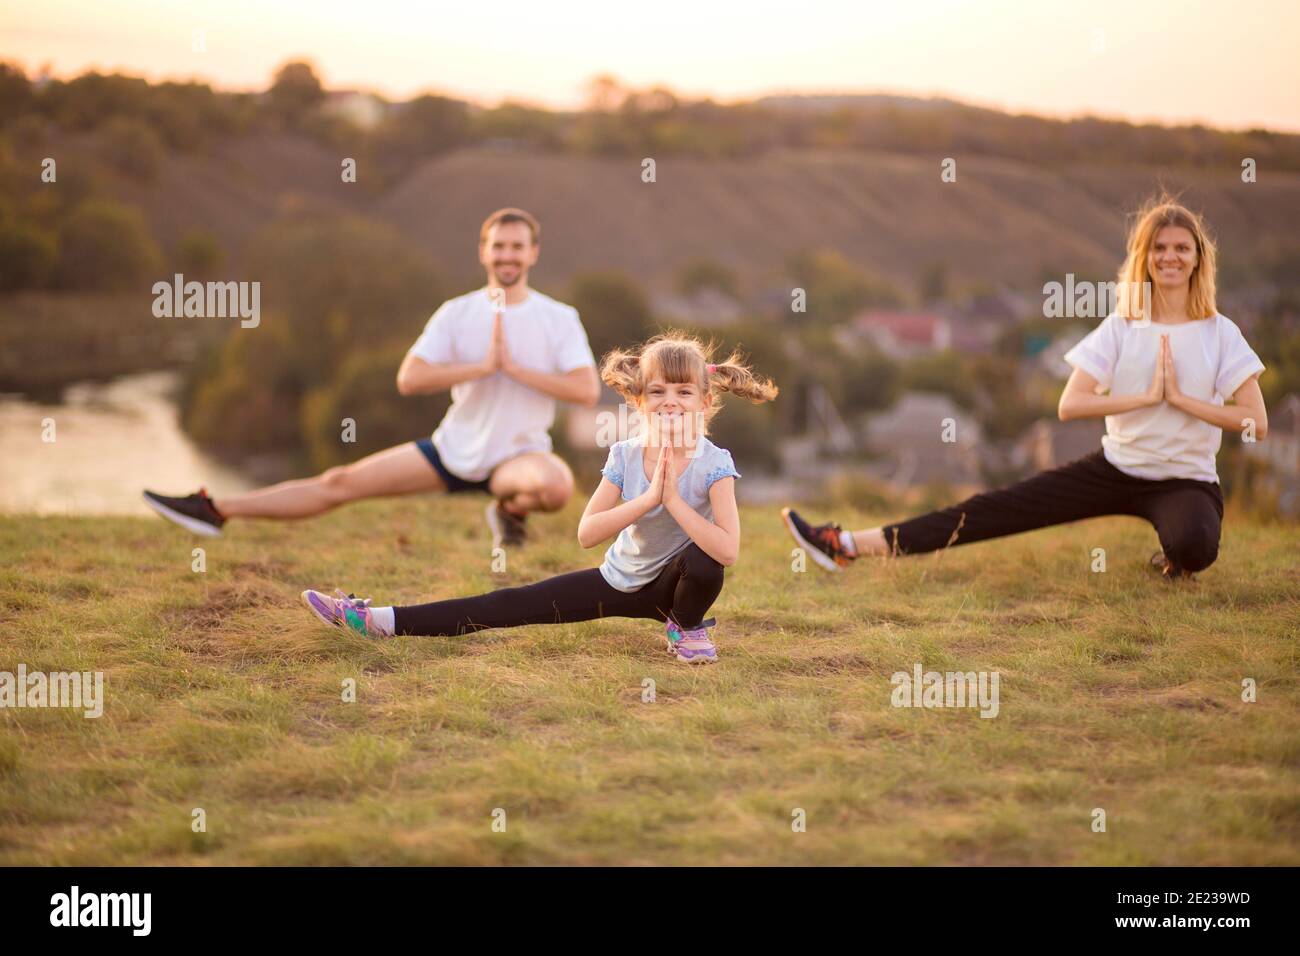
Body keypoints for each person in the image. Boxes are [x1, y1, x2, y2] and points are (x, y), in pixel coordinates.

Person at [783, 197, 1269, 580]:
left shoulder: (1218, 332)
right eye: (1160, 248)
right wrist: (1146, 398)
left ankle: (1172, 561)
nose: (1170, 257)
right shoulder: (1122, 326)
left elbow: (1256, 422)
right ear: (1145, 257)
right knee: (991, 511)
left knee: (1196, 547)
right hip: (1117, 467)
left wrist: (1184, 401)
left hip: (1185, 479)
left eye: (1182, 248)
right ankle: (845, 545)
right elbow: (1070, 404)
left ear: (1198, 258)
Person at [300, 333, 779, 663]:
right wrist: (650, 497)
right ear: (638, 400)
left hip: (679, 588)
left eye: (683, 391)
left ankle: (686, 627)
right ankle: (377, 620)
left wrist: (673, 500)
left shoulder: (715, 464)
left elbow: (728, 550)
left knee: (704, 562)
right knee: (504, 604)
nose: (670, 401)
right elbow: (587, 533)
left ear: (704, 401)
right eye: (657, 391)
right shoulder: (626, 454)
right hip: (619, 581)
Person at [143, 207, 600, 549]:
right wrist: (480, 367)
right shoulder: (457, 313)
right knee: (339, 483)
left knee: (556, 487)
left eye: (517, 246)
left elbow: (585, 390)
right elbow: (410, 378)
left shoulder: (558, 318)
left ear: (533, 253)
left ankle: (510, 511)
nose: (507, 255)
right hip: (451, 451)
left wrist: (513, 368)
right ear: (484, 250)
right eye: (499, 245)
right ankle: (213, 509)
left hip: (516, 459)